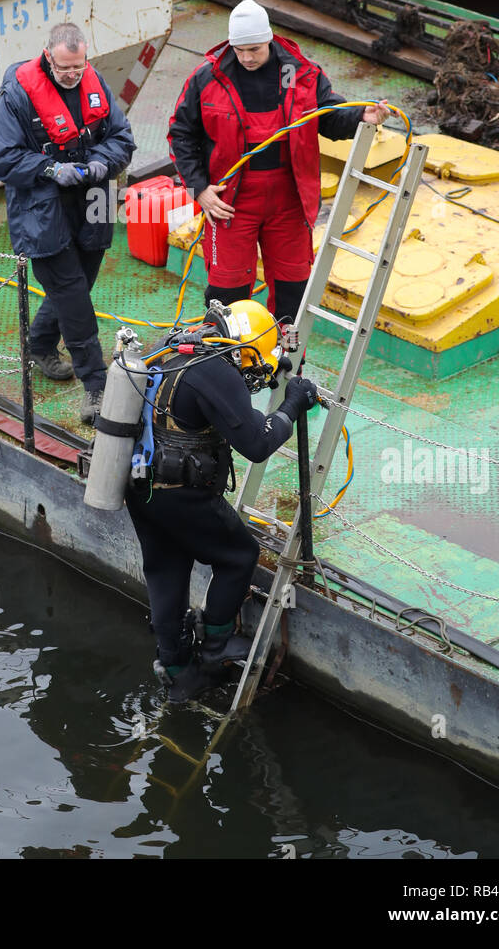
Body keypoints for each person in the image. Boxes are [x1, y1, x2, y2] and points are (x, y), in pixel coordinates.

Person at [127, 298, 319, 703]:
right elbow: (258, 442)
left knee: (166, 570)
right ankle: (216, 648)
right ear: (243, 348)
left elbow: (227, 398)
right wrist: (294, 402)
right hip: (184, 496)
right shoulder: (217, 371)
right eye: (255, 365)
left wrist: (275, 371)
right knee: (238, 555)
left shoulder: (180, 346)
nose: (253, 376)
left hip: (141, 486)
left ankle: (175, 667)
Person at [168, 0, 391, 325]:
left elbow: (329, 118)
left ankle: (289, 369)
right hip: (230, 202)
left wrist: (361, 116)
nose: (246, 58)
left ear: (269, 39)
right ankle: (228, 369)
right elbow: (180, 135)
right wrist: (199, 189)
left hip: (289, 199)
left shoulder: (303, 75)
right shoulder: (206, 79)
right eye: (239, 50)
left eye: (254, 49)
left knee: (293, 290)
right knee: (227, 295)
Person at [0, 23, 136, 424]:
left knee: (80, 284)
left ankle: (38, 345)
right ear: (47, 56)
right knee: (73, 296)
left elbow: (122, 136)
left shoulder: (95, 83)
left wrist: (103, 161)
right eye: (65, 68)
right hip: (42, 206)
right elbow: (1, 158)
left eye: (78, 67)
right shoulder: (18, 95)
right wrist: (50, 168)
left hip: (94, 198)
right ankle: (96, 386)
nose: (72, 75)